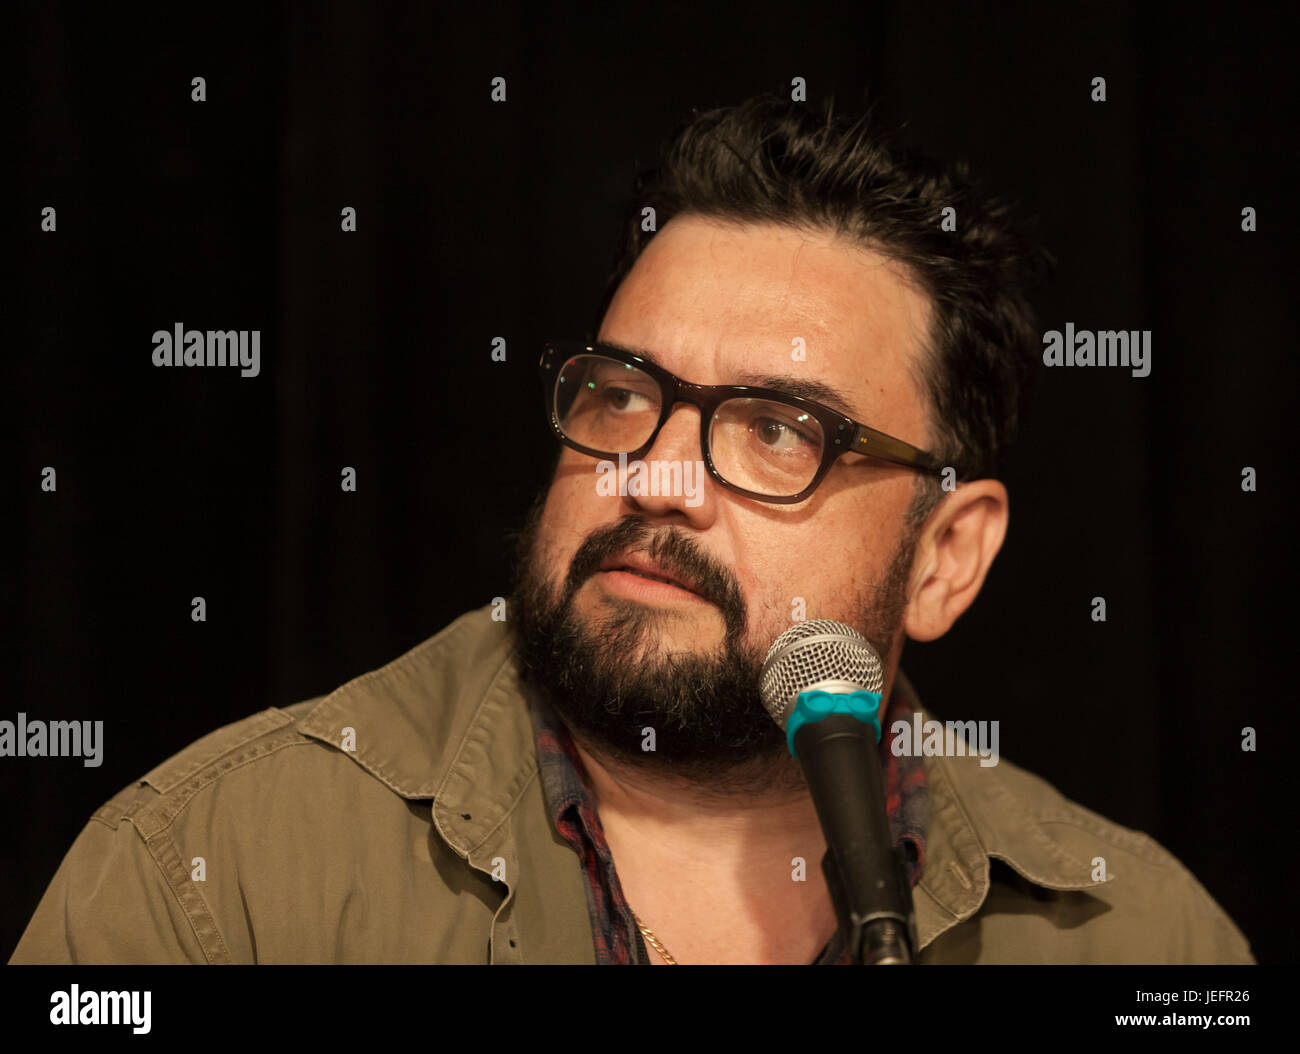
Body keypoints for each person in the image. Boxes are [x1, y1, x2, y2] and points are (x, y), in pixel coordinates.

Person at [10, 94, 1253, 965]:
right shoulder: (210, 877)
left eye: (778, 430)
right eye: (623, 395)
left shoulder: (1140, 937)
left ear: (944, 557)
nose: (656, 479)